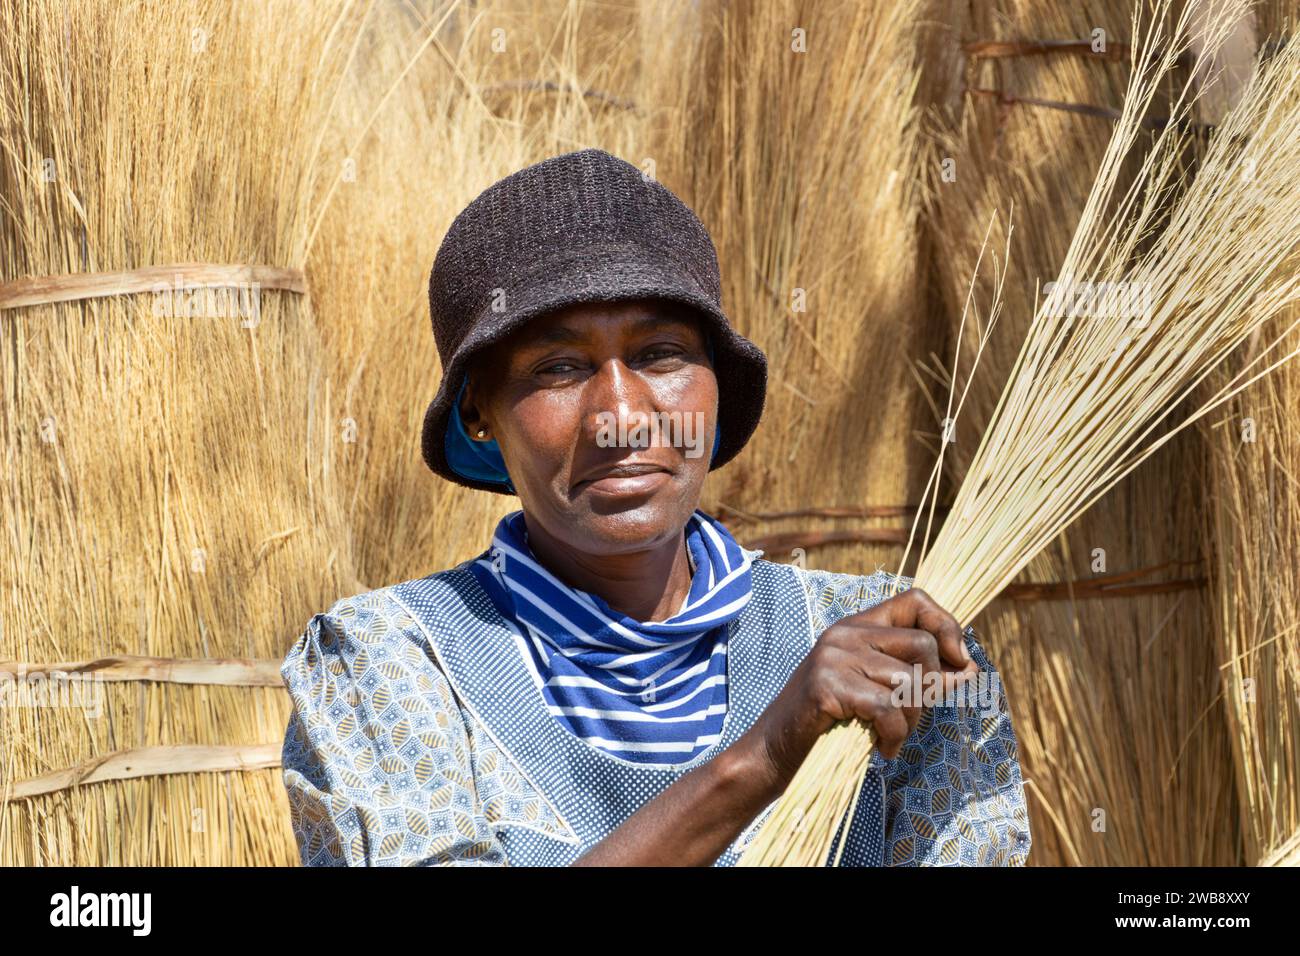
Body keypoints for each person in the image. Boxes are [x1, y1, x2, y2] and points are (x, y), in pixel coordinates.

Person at [279, 147, 1032, 866]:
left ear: (713, 384)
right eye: (559, 367)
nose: (622, 415)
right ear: (479, 412)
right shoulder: (392, 667)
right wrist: (763, 757)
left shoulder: (893, 653)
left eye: (659, 355)